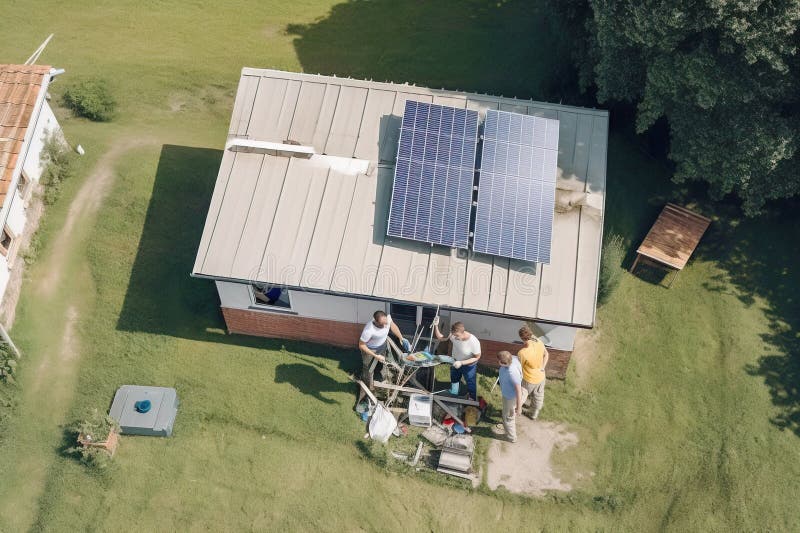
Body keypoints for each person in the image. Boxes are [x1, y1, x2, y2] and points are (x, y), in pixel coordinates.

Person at [355, 310, 408, 407]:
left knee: (383, 363)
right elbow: (361, 345)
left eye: (386, 323)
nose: (385, 326)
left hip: (382, 346)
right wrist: (376, 356)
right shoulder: (369, 330)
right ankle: (368, 390)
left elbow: (393, 326)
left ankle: (383, 377)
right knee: (368, 370)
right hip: (370, 351)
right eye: (382, 324)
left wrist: (401, 338)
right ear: (376, 322)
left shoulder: (387, 319)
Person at [433, 319, 481, 399]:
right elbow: (441, 338)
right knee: (454, 377)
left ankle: (472, 399)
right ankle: (454, 392)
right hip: (455, 361)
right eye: (454, 335)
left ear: (463, 332)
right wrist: (436, 326)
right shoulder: (453, 335)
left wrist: (462, 363)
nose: (455, 338)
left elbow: (477, 357)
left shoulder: (473, 341)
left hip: (469, 365)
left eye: (457, 336)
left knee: (470, 382)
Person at [517, 325, 549, 419]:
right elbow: (546, 354)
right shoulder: (539, 342)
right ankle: (534, 415)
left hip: (528, 380)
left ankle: (514, 411)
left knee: (522, 395)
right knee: (538, 396)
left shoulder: (522, 353)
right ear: (531, 334)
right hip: (541, 376)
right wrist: (542, 367)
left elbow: (519, 368)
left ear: (522, 338)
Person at [492, 350, 523, 443]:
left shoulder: (512, 373)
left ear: (503, 363)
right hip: (507, 393)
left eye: (499, 361)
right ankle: (516, 406)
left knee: (508, 417)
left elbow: (518, 390)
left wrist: (519, 407)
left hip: (510, 397)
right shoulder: (513, 358)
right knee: (507, 413)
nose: (498, 362)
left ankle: (511, 437)